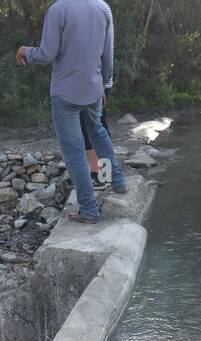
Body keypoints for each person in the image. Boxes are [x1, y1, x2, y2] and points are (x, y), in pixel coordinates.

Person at [18, 0, 127, 223]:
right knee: (98, 132)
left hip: (66, 93)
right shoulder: (101, 8)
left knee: (74, 151)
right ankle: (118, 181)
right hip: (93, 88)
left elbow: (47, 54)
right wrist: (105, 84)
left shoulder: (58, 10)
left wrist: (26, 52)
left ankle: (89, 209)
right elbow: (107, 54)